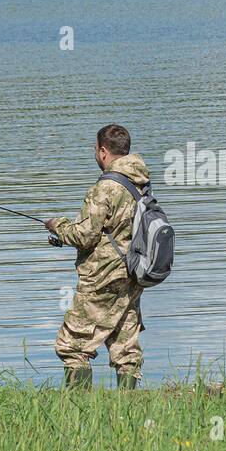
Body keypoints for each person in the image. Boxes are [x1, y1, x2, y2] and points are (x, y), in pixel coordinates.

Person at [44, 124, 149, 389]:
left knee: (72, 344)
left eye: (95, 149)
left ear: (103, 151)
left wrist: (58, 225)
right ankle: (128, 407)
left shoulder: (106, 187)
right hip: (133, 272)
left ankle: (80, 408)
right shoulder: (141, 182)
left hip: (101, 277)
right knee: (125, 344)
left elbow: (86, 236)